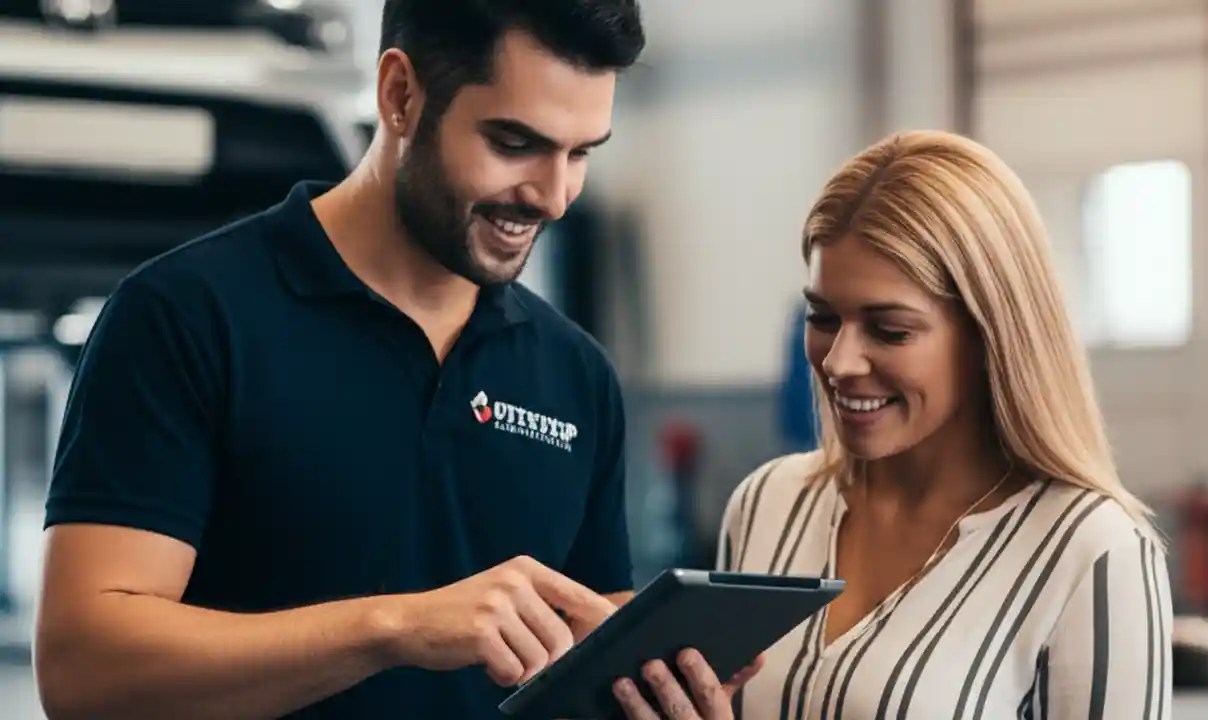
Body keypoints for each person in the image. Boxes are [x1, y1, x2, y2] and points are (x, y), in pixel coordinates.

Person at [33, 2, 755, 718]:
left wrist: (651, 683)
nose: (555, 196)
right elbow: (83, 673)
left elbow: (572, 654)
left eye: (582, 153)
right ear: (400, 95)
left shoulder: (577, 375)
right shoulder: (185, 316)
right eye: (514, 143)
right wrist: (396, 628)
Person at [617, 130, 1174, 719]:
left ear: (991, 335)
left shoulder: (1092, 550)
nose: (838, 361)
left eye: (889, 330)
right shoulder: (766, 505)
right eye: (824, 317)